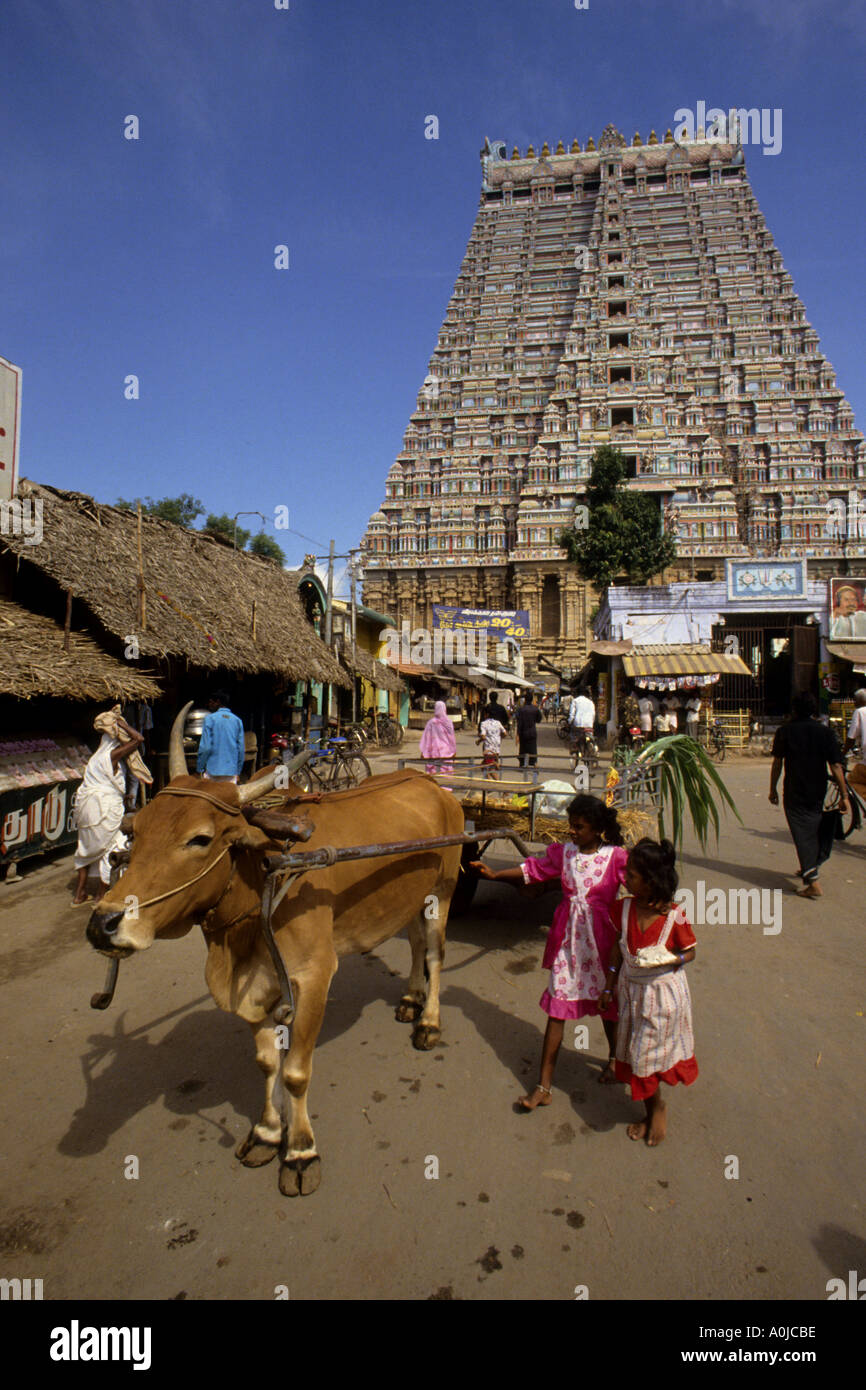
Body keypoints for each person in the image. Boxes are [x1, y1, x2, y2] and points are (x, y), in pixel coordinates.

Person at [471, 795, 628, 1107]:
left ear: (596, 829)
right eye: (571, 825)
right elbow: (534, 869)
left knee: (607, 1005)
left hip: (601, 948)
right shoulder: (564, 853)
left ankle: (615, 1059)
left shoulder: (616, 857)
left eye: (579, 827)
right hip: (567, 947)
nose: (571, 831)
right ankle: (543, 1087)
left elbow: (642, 886)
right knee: (557, 1010)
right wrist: (496, 875)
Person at [601, 838, 697, 1147]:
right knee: (638, 1054)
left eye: (631, 875)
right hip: (632, 995)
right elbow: (618, 948)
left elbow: (690, 952)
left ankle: (656, 1109)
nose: (625, 879)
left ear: (651, 881)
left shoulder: (674, 916)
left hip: (663, 999)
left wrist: (671, 959)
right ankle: (652, 1107)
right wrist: (609, 984)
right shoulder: (623, 909)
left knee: (645, 1057)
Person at [769, 690, 849, 899]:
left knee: (802, 833)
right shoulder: (825, 733)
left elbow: (777, 763)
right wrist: (844, 795)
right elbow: (836, 766)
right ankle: (810, 865)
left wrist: (772, 788)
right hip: (817, 789)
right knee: (811, 829)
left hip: (794, 789)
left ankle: (813, 881)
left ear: (794, 709)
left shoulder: (785, 731)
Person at [72, 708, 148, 905]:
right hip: (104, 809)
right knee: (111, 846)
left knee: (85, 849)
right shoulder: (112, 755)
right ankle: (100, 895)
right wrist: (122, 725)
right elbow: (139, 739)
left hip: (87, 807)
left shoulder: (95, 759)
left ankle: (79, 895)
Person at [197, 690, 245, 783]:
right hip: (231, 773)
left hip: (212, 772)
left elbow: (205, 748)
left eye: (211, 702)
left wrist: (200, 768)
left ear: (218, 702)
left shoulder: (209, 719)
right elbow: (241, 749)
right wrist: (238, 771)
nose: (209, 705)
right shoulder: (237, 721)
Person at [419, 699, 457, 776]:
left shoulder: (431, 722)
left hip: (433, 751)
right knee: (446, 772)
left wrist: (424, 751)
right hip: (446, 751)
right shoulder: (448, 722)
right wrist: (454, 751)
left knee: (433, 774)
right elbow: (451, 739)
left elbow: (427, 739)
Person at [842, 688, 866, 793]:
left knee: (852, 782)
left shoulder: (860, 711)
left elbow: (851, 738)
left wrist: (842, 753)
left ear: (861, 700)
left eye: (855, 700)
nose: (854, 703)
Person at [515, 693, 542, 767]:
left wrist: (518, 734)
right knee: (533, 748)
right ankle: (534, 763)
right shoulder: (535, 709)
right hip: (532, 732)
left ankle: (522, 763)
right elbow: (539, 720)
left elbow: (519, 723)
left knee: (523, 748)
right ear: (532, 700)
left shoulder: (521, 710)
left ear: (525, 700)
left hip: (523, 732)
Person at [568, 686, 596, 759]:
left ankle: (575, 747)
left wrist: (569, 722)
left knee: (573, 734)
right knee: (590, 736)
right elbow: (593, 714)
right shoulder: (591, 702)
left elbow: (572, 714)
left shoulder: (575, 701)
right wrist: (591, 723)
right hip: (589, 725)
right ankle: (593, 748)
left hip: (578, 724)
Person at [477, 711, 504, 779]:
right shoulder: (498, 723)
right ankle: (488, 781)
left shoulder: (484, 723)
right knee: (484, 766)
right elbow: (504, 733)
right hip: (496, 749)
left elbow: (483, 737)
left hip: (489, 750)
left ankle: (498, 783)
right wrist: (498, 739)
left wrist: (478, 741)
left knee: (491, 770)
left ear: (487, 714)